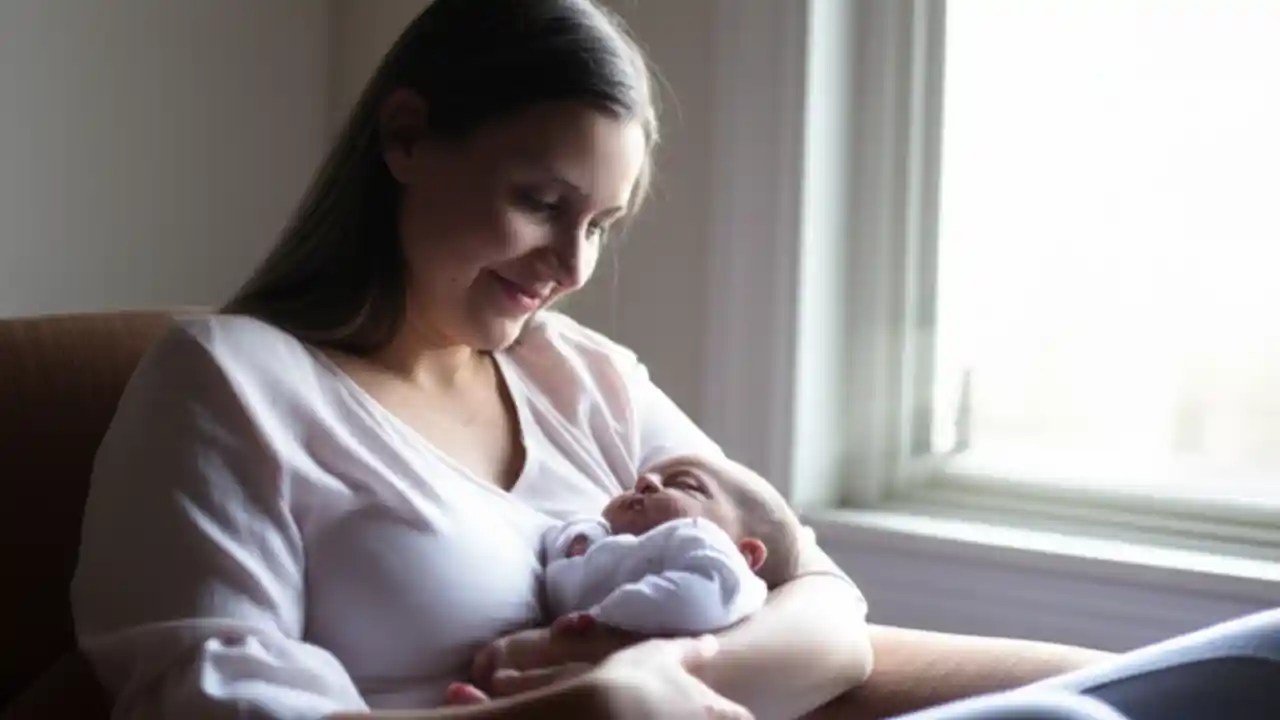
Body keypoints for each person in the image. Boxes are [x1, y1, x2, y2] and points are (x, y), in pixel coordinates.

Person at [69, 1, 873, 719]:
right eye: (541, 203)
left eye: (599, 226)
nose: (573, 267)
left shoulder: (587, 380)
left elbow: (827, 609)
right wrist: (582, 708)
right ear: (406, 137)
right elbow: (217, 702)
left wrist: (663, 672)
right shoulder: (228, 384)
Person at [444, 454, 804, 707]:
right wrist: (582, 537)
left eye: (685, 485)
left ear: (746, 554)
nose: (646, 481)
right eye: (641, 481)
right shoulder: (618, 548)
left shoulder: (718, 561)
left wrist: (601, 623)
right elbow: (564, 559)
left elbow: (694, 600)